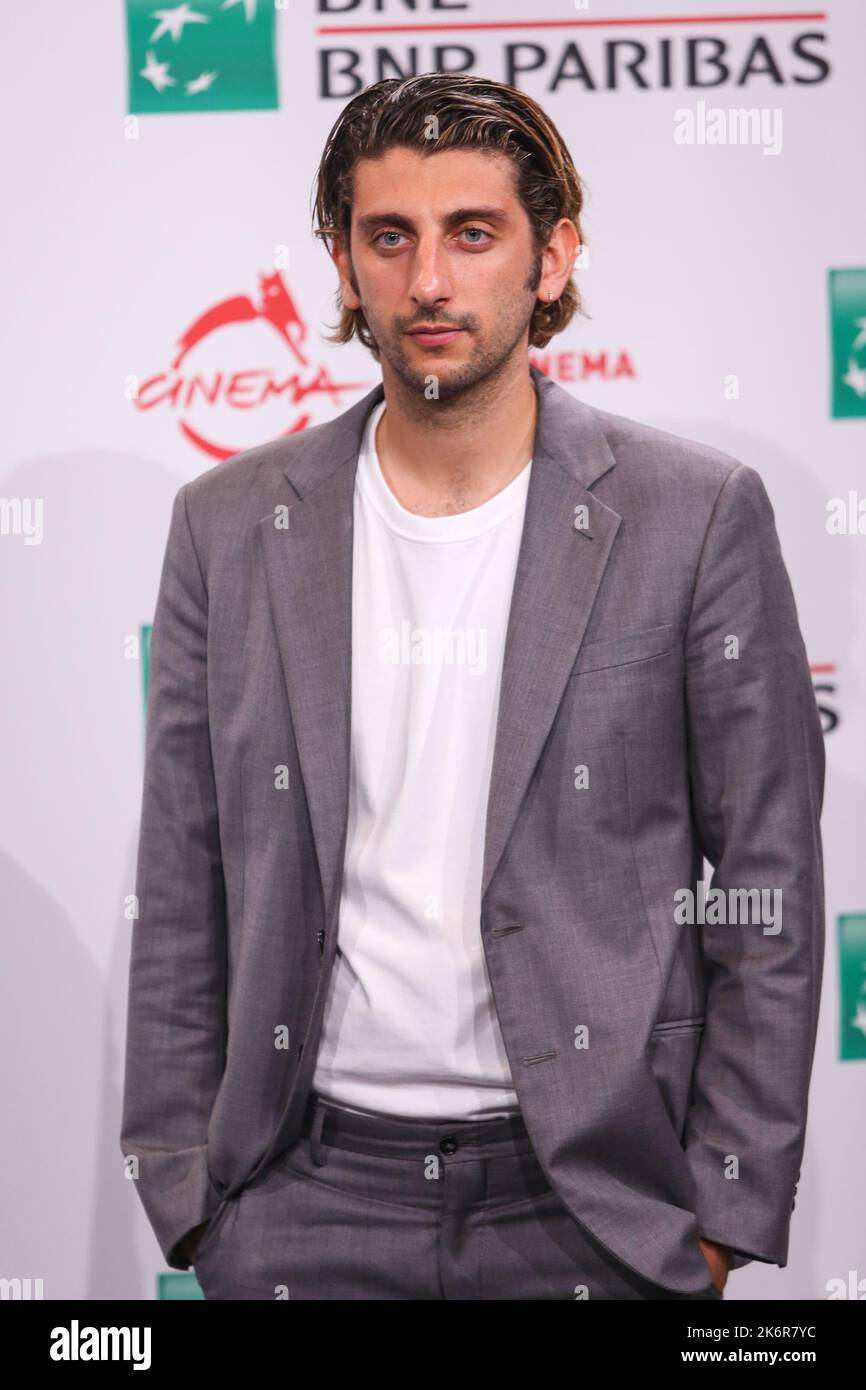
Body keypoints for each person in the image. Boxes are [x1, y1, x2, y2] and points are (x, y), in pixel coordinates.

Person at [120, 73, 825, 1301]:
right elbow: (185, 880)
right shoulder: (226, 526)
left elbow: (764, 882)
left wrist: (716, 1212)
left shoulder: (692, 516)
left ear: (551, 258)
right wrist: (191, 1195)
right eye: (388, 237)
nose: (428, 282)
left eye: (472, 233)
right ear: (341, 265)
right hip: (301, 1201)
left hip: (596, 1208)